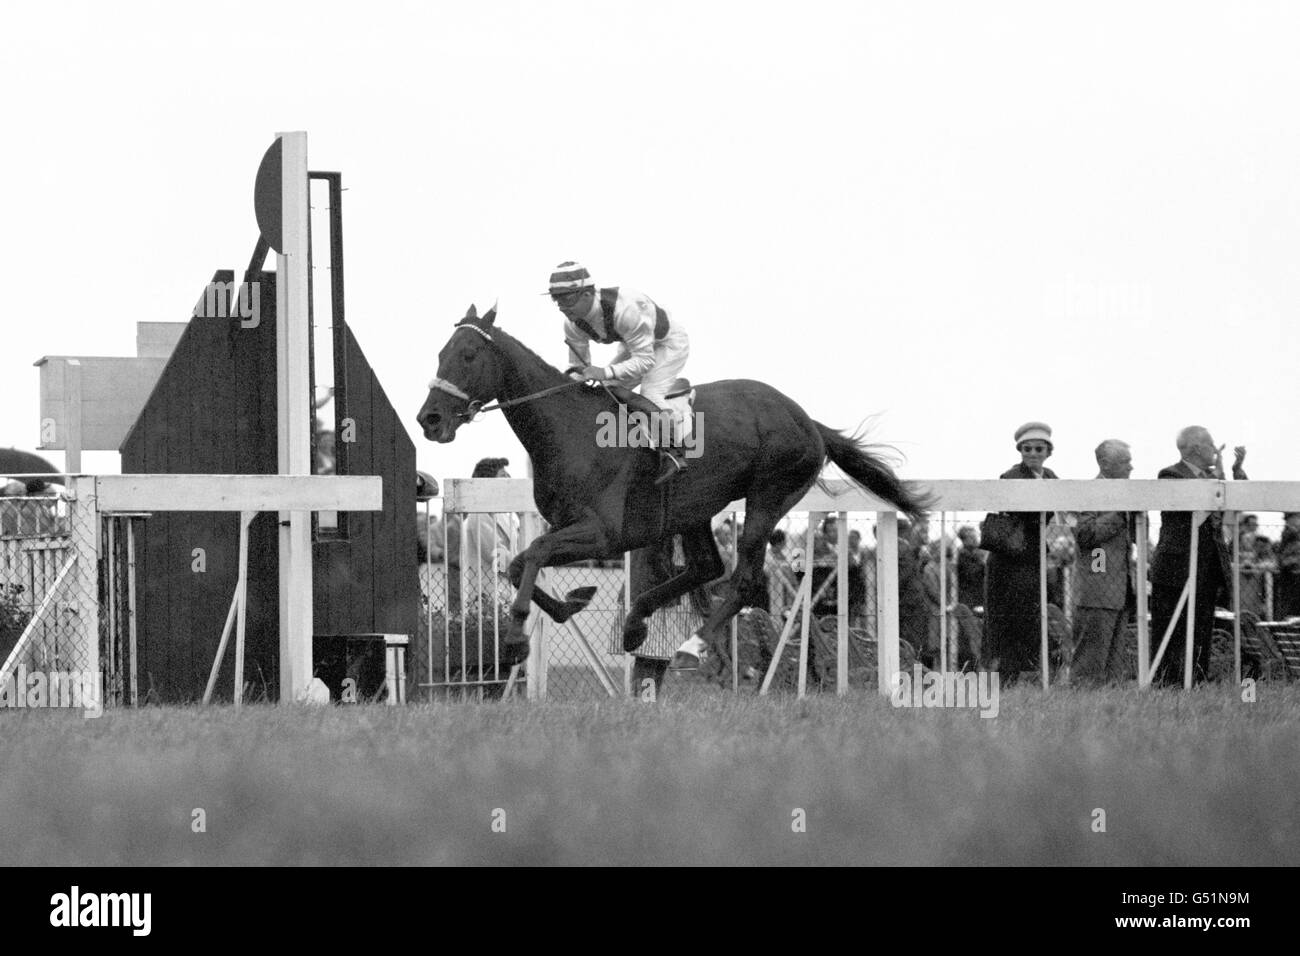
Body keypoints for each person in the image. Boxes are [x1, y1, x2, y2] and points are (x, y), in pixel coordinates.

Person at [546, 261, 693, 482]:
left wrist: (604, 372)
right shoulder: (571, 324)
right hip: (634, 346)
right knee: (609, 392)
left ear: (587, 294)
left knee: (650, 393)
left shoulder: (626, 310)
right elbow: (579, 368)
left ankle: (673, 453)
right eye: (556, 300)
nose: (561, 307)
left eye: (566, 299)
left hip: (668, 344)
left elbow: (645, 361)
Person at [1149, 427, 1246, 686]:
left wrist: (1235, 473)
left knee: (1201, 628)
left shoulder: (1213, 476)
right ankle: (1166, 684)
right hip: (1175, 569)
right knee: (1171, 631)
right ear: (1196, 448)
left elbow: (1233, 503)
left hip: (1206, 569)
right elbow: (1194, 505)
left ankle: (1197, 680)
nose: (1215, 449)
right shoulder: (1170, 474)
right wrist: (1216, 476)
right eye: (1211, 443)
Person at [983, 421, 1059, 684]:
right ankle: (1005, 675)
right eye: (1027, 448)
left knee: (1032, 616)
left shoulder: (1050, 477)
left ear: (1048, 451)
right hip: (1010, 560)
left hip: (1033, 558)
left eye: (1039, 448)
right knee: (1009, 618)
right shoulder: (1012, 476)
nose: (1033, 453)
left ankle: (1030, 672)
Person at [1070, 440, 1135, 686]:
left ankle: (1109, 709)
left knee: (1114, 667)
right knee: (1089, 664)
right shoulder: (1090, 493)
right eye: (1125, 462)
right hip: (1097, 591)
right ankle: (1081, 702)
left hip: (1120, 591)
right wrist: (1120, 514)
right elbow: (1085, 534)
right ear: (1104, 464)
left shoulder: (1125, 494)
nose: (1131, 468)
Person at [1276, 512, 1300, 619]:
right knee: (1289, 604)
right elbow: (1282, 556)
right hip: (1289, 573)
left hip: (1293, 571)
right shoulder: (1287, 533)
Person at [955, 525, 986, 610]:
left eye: (975, 536)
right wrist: (983, 562)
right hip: (969, 599)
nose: (975, 539)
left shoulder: (978, 553)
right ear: (964, 541)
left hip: (980, 596)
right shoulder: (962, 556)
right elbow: (972, 573)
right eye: (971, 537)